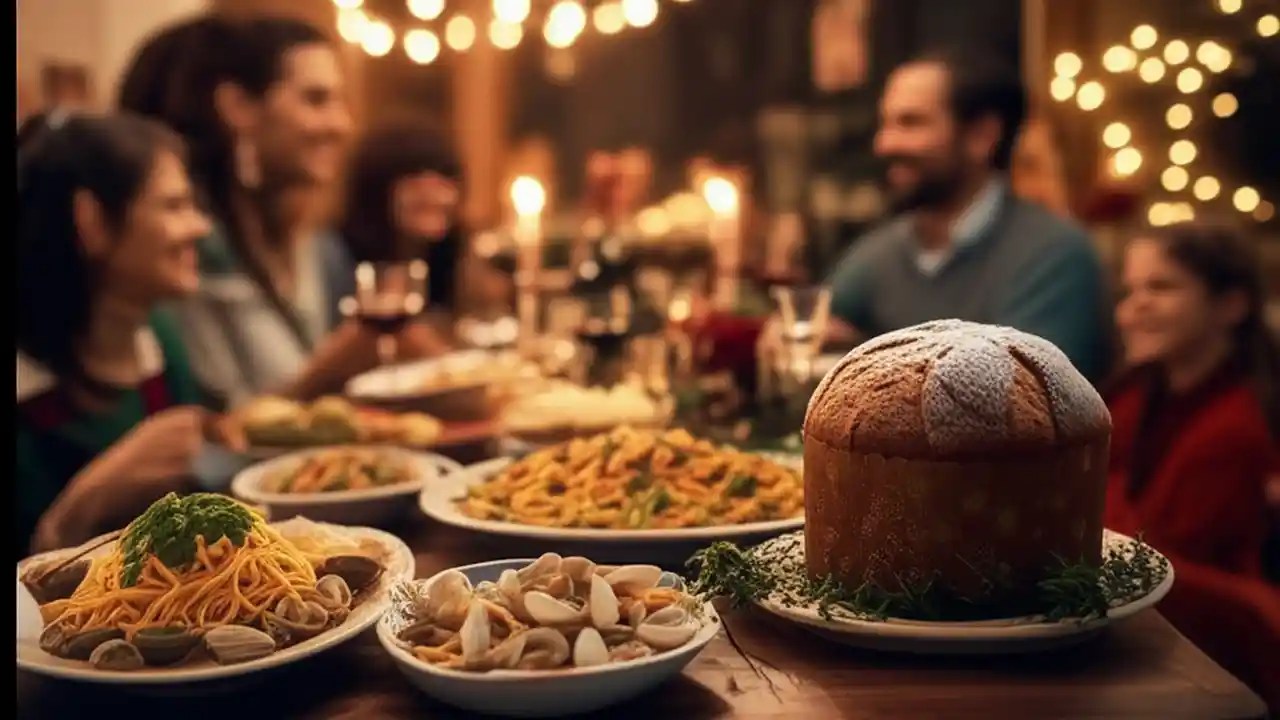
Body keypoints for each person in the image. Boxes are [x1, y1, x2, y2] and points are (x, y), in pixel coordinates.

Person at [118, 16, 399, 405]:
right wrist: (328, 372)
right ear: (236, 107)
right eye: (316, 100)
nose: (342, 125)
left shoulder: (314, 242)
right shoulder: (195, 247)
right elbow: (211, 430)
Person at [823, 49, 1111, 381]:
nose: (884, 144)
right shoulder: (880, 252)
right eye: (885, 124)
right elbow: (818, 327)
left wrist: (866, 358)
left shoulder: (1053, 257)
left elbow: (1020, 398)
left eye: (910, 123)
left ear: (981, 137)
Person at [16, 113, 213, 556]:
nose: (201, 227)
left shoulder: (159, 338)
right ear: (92, 221)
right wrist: (82, 506)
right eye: (174, 206)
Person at [1106, 222, 1278, 576]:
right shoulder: (1133, 399)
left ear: (1231, 305)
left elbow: (1150, 559)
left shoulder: (1236, 429)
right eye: (1129, 291)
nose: (1132, 309)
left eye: (1161, 287)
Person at [341, 117, 508, 334]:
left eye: (445, 178)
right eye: (415, 177)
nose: (435, 194)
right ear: (377, 189)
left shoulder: (454, 253)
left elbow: (483, 318)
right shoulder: (335, 257)